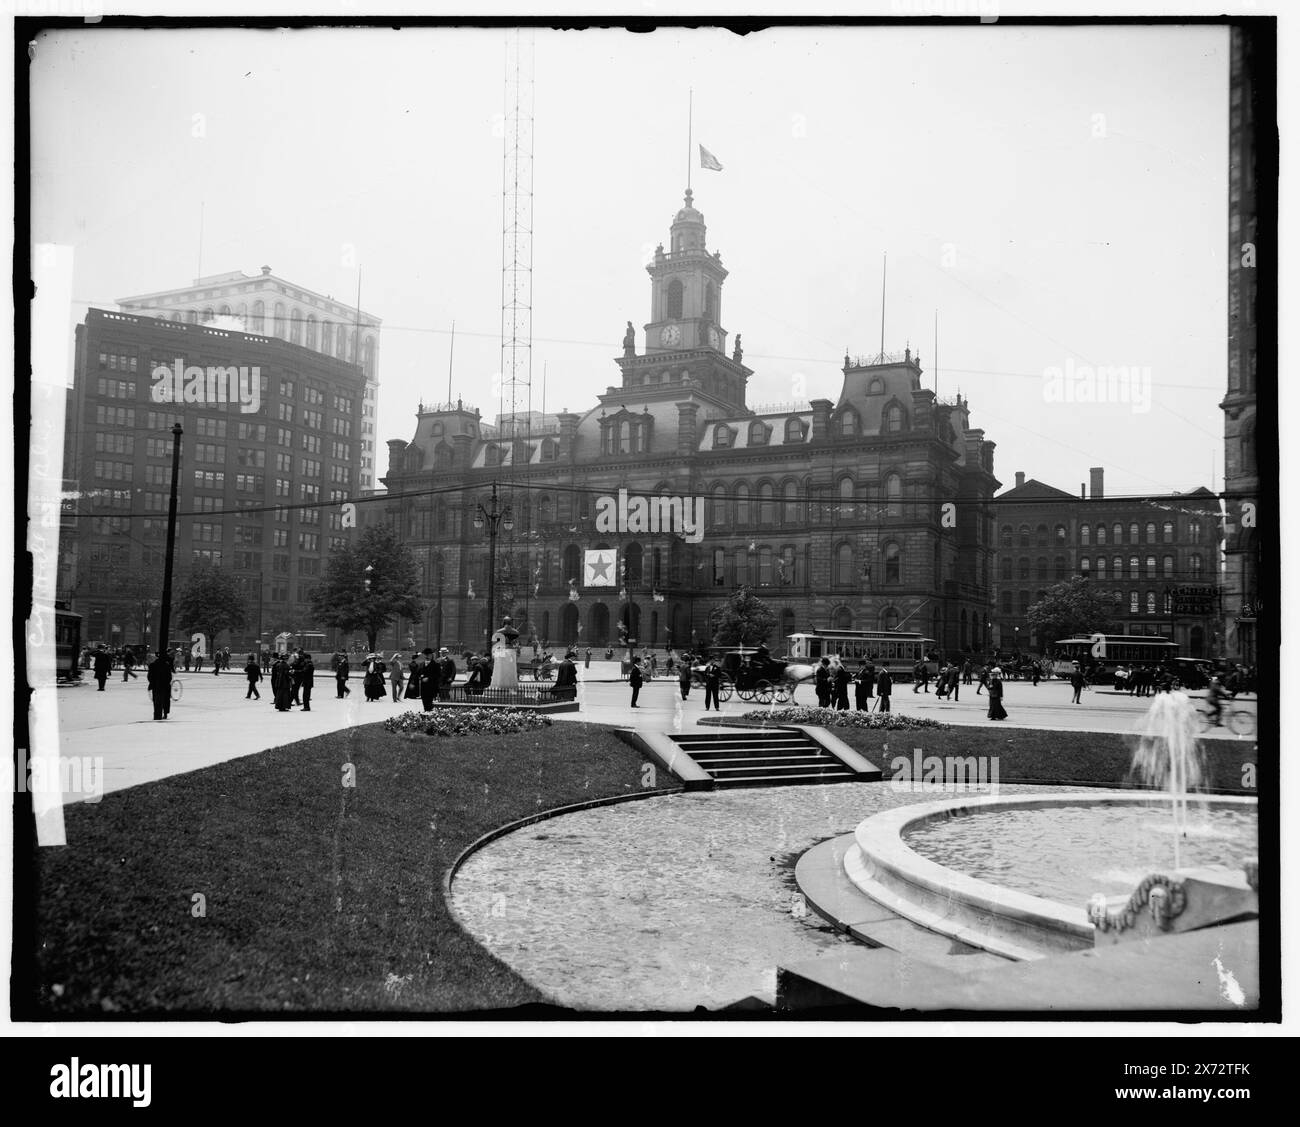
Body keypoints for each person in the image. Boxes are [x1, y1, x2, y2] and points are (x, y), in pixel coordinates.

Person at [147, 651, 173, 720]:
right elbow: (169, 677)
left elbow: (149, 676)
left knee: (156, 700)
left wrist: (152, 683)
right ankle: (165, 713)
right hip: (165, 685)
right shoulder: (166, 665)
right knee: (166, 699)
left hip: (156, 685)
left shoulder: (152, 665)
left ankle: (156, 712)